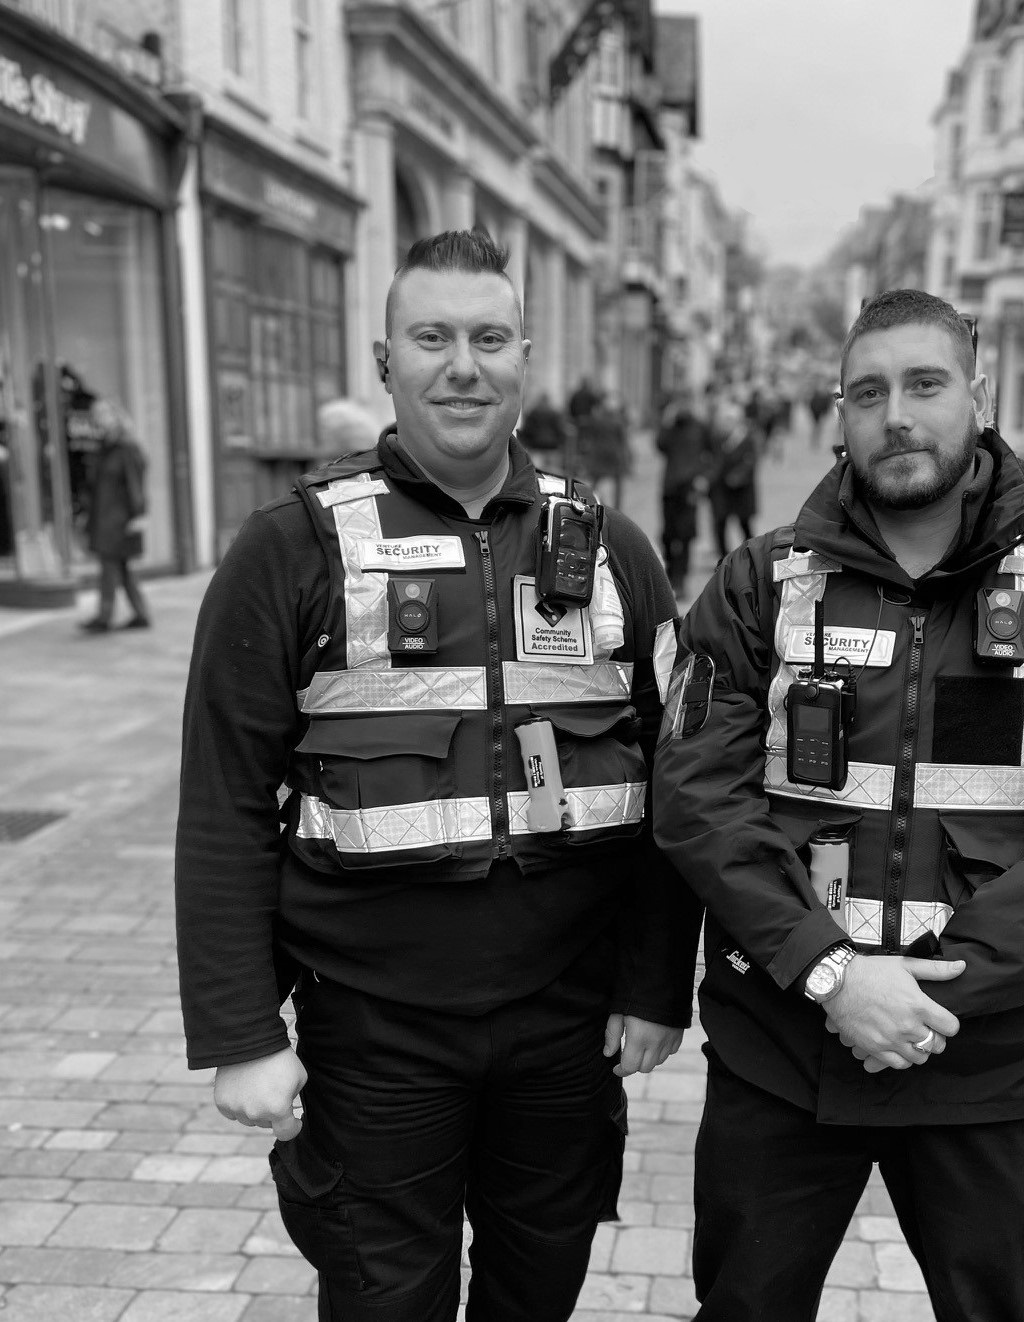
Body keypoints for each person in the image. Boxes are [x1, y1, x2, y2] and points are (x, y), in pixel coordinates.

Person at [175, 229, 701, 1322]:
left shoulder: (612, 550)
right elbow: (224, 799)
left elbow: (673, 786)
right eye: (432, 337)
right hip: (373, 1032)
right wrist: (239, 1032)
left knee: (536, 1290)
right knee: (381, 1299)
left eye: (488, 337)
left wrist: (655, 984)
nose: (463, 365)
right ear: (384, 362)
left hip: (565, 1028)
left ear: (524, 357)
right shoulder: (290, 549)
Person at [653, 288, 1024, 1322]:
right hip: (784, 1047)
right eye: (868, 391)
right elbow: (696, 796)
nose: (897, 413)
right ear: (838, 415)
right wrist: (836, 975)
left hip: (996, 1057)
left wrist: (927, 995)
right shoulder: (761, 584)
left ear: (978, 397)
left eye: (925, 384)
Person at [79, 398, 150, 632]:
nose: (99, 418)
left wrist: (139, 515)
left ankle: (104, 616)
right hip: (104, 516)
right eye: (95, 414)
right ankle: (141, 614)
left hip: (120, 519)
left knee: (110, 565)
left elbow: (135, 484)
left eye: (103, 413)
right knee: (122, 567)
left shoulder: (127, 447)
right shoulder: (103, 447)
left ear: (115, 415)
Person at [655, 394, 714, 596]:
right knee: (668, 535)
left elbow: (714, 455)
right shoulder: (671, 427)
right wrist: (666, 422)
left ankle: (681, 581)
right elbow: (660, 446)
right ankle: (670, 575)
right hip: (670, 487)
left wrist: (704, 477)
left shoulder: (701, 427)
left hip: (690, 488)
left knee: (686, 534)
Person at [708, 395, 758, 558]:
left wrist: (737, 476)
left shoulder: (746, 437)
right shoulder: (717, 438)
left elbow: (750, 462)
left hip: (741, 489)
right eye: (725, 420)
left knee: (744, 523)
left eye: (730, 419)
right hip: (721, 489)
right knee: (720, 523)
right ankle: (722, 556)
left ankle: (751, 554)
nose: (727, 423)